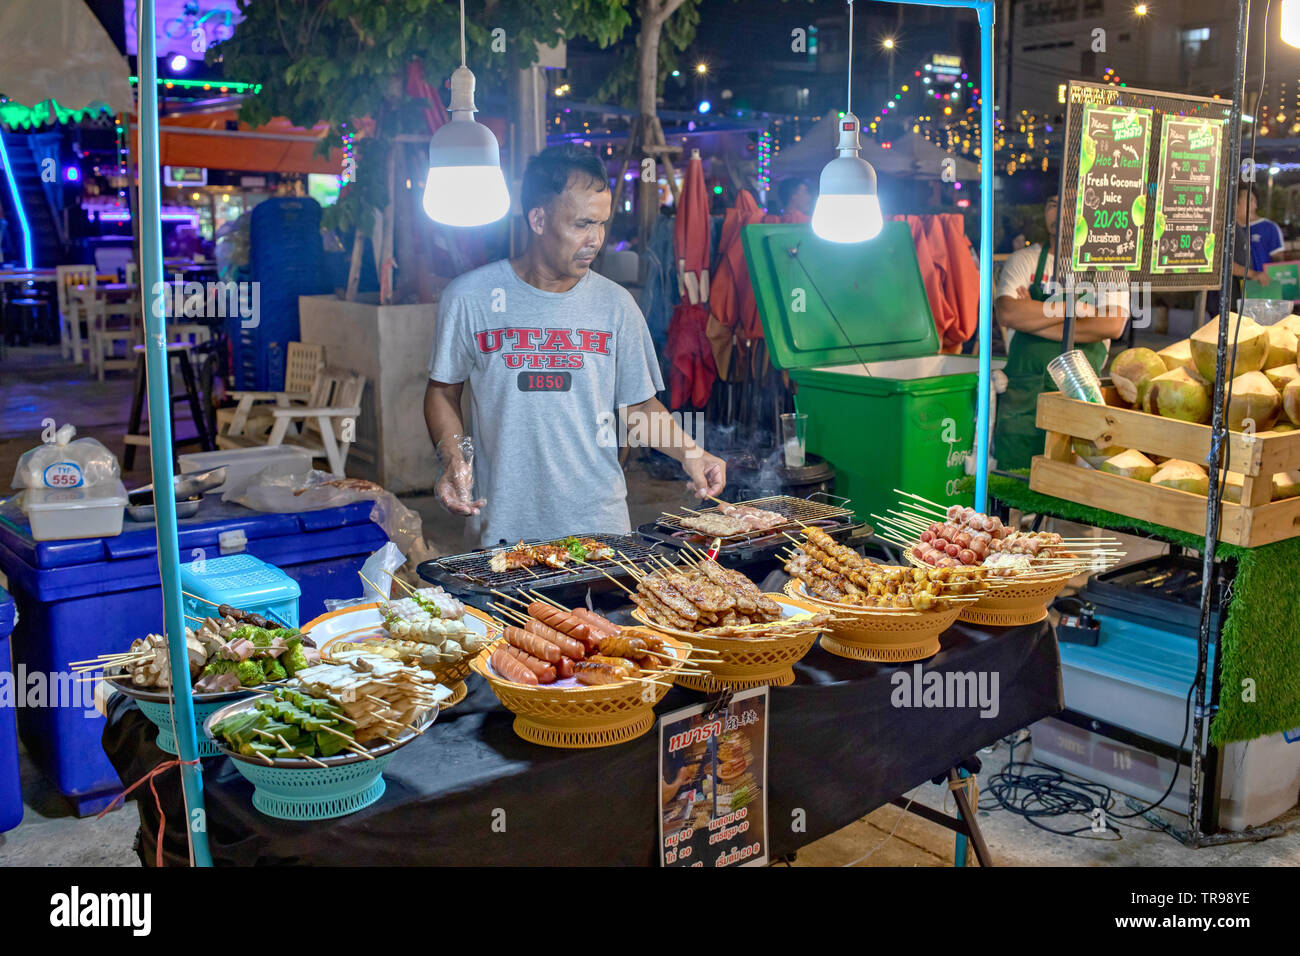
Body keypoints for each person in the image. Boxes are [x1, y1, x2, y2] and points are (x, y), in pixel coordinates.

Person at [425, 144, 727, 546]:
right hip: (502, 529)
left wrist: (693, 454)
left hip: (600, 527)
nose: (596, 240)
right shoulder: (471, 297)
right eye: (582, 224)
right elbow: (443, 392)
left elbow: (637, 407)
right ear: (538, 219)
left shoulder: (616, 305)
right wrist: (454, 458)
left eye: (601, 224)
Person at [992, 192, 1129, 470]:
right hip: (1023, 397)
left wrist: (1033, 313)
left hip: (1080, 393)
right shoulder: (1024, 260)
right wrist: (1075, 308)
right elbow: (1007, 312)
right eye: (1053, 204)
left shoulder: (1108, 267)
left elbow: (1111, 326)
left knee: (1069, 484)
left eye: (1070, 205)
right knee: (1012, 484)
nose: (1060, 213)